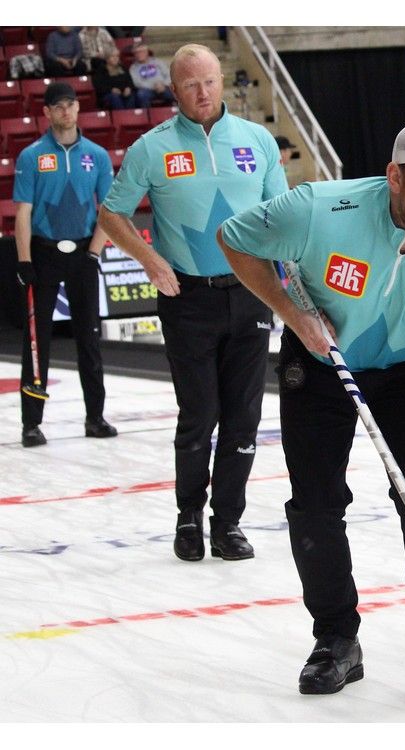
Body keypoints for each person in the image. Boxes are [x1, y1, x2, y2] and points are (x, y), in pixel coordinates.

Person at [215, 115, 405, 698]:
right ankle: (336, 639)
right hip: (321, 357)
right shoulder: (319, 211)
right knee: (316, 501)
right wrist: (293, 313)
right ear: (395, 177)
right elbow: (235, 239)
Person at [97, 44, 288, 563]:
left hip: (251, 292)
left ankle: (228, 523)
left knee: (244, 416)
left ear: (221, 80)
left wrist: (291, 281)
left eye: (208, 81)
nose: (202, 93)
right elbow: (111, 214)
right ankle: (188, 517)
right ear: (174, 90)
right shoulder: (152, 147)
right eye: (190, 85)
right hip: (187, 299)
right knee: (199, 414)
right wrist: (149, 261)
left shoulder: (257, 140)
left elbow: (282, 215)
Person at [13, 82, 118, 448]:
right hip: (43, 254)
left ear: (77, 109)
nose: (66, 111)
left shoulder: (97, 156)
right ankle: (31, 424)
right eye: (58, 106)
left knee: (89, 339)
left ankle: (95, 417)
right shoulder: (31, 156)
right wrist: (24, 260)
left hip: (83, 255)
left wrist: (94, 254)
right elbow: (23, 212)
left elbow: (108, 210)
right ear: (47, 112)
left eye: (71, 105)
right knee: (37, 341)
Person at [129, 43, 175, 108]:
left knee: (176, 92)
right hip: (147, 90)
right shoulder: (133, 68)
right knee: (141, 95)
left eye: (141, 52)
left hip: (163, 87)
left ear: (147, 52)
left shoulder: (157, 61)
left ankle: (175, 111)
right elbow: (137, 82)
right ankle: (146, 113)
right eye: (136, 53)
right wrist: (153, 86)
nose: (138, 55)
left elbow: (169, 74)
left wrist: (163, 84)